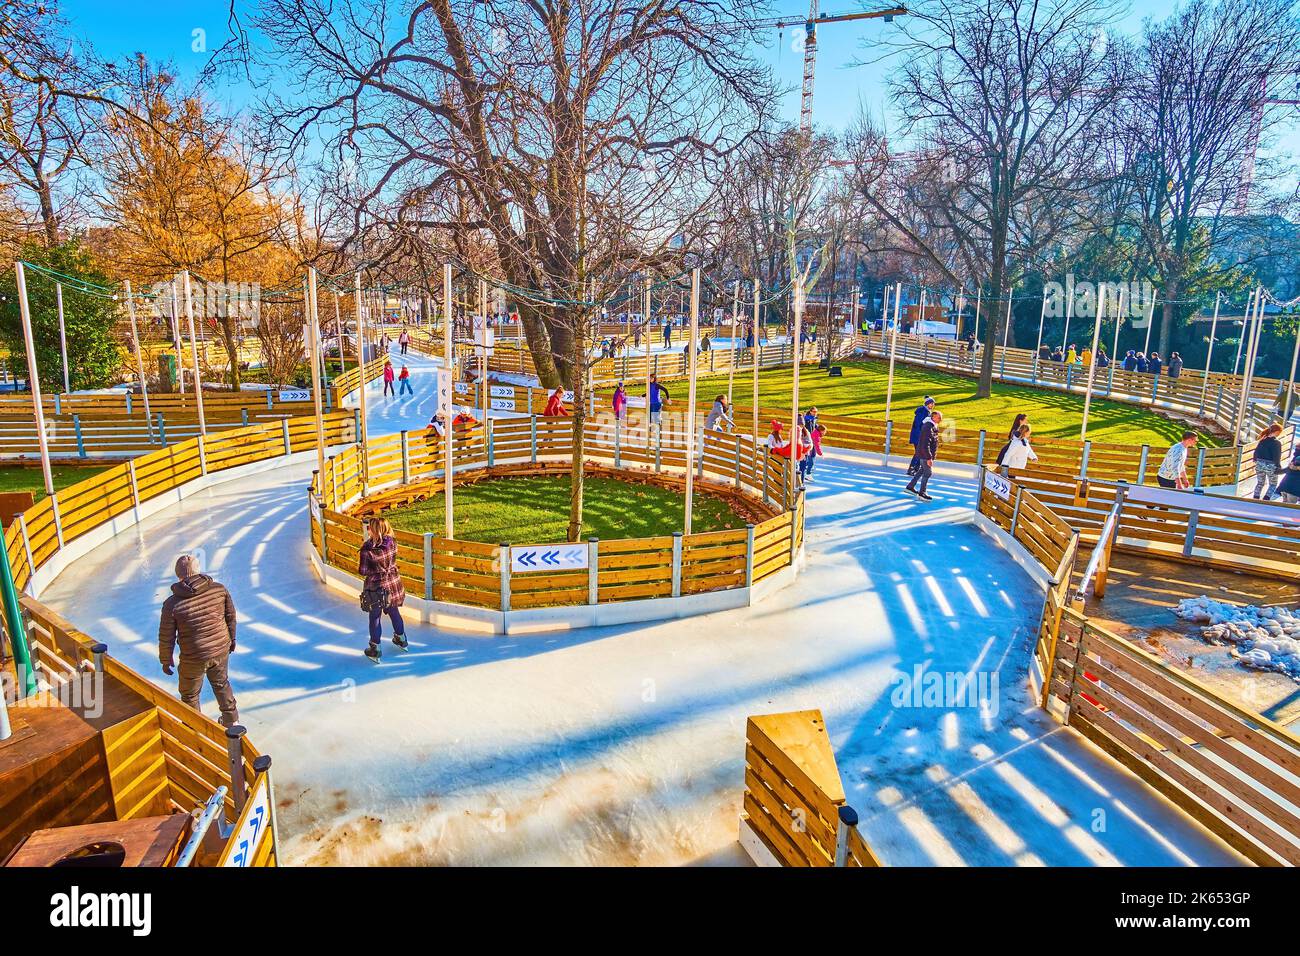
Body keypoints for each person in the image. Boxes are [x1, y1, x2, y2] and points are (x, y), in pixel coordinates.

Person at [158, 554, 239, 727]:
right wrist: (232, 639)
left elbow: (166, 636)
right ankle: (232, 721)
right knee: (221, 683)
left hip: (193, 657)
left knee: (190, 695)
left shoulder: (172, 604)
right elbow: (230, 616)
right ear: (198, 570)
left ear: (178, 575)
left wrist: (166, 660)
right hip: (220, 648)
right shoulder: (219, 589)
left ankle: (195, 731)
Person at [360, 517, 407, 662]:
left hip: (376, 587)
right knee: (394, 611)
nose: (368, 530)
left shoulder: (368, 550)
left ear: (374, 530)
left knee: (375, 616)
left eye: (370, 528)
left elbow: (363, 570)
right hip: (393, 582)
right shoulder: (392, 542)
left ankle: (375, 649)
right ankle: (401, 639)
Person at [905, 410, 943, 501]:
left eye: (941, 418)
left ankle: (910, 486)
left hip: (924, 454)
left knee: (922, 470)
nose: (940, 420)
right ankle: (922, 493)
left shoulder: (932, 426)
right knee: (928, 472)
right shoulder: (928, 427)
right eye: (939, 417)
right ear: (933, 417)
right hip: (925, 454)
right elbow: (925, 444)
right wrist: (929, 457)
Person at [1252, 423, 1285, 500]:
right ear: (1277, 432)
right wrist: (1278, 466)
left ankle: (1255, 498)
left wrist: (1255, 460)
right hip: (1270, 466)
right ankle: (1266, 499)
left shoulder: (1262, 440)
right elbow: (1277, 456)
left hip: (1259, 464)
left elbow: (1256, 452)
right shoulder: (1276, 443)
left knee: (1260, 483)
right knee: (1273, 484)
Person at [907, 397, 936, 476]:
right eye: (931, 403)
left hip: (920, 435)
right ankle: (912, 469)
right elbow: (919, 424)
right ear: (927, 404)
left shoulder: (927, 412)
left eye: (933, 403)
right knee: (919, 452)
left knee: (920, 453)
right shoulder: (922, 412)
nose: (933, 405)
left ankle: (915, 469)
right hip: (918, 435)